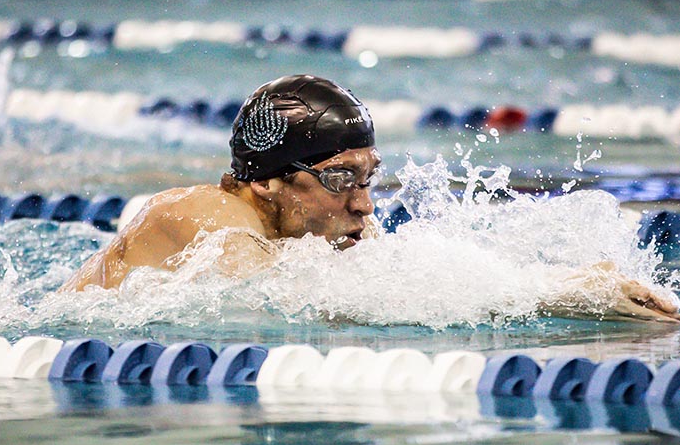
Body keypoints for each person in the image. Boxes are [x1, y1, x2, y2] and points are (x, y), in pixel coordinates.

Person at [61, 75, 680, 323]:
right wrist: (551, 301)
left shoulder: (314, 226)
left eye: (368, 177)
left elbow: (419, 277)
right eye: (339, 180)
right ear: (268, 180)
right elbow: (294, 304)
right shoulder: (199, 217)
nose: (363, 205)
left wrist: (570, 285)